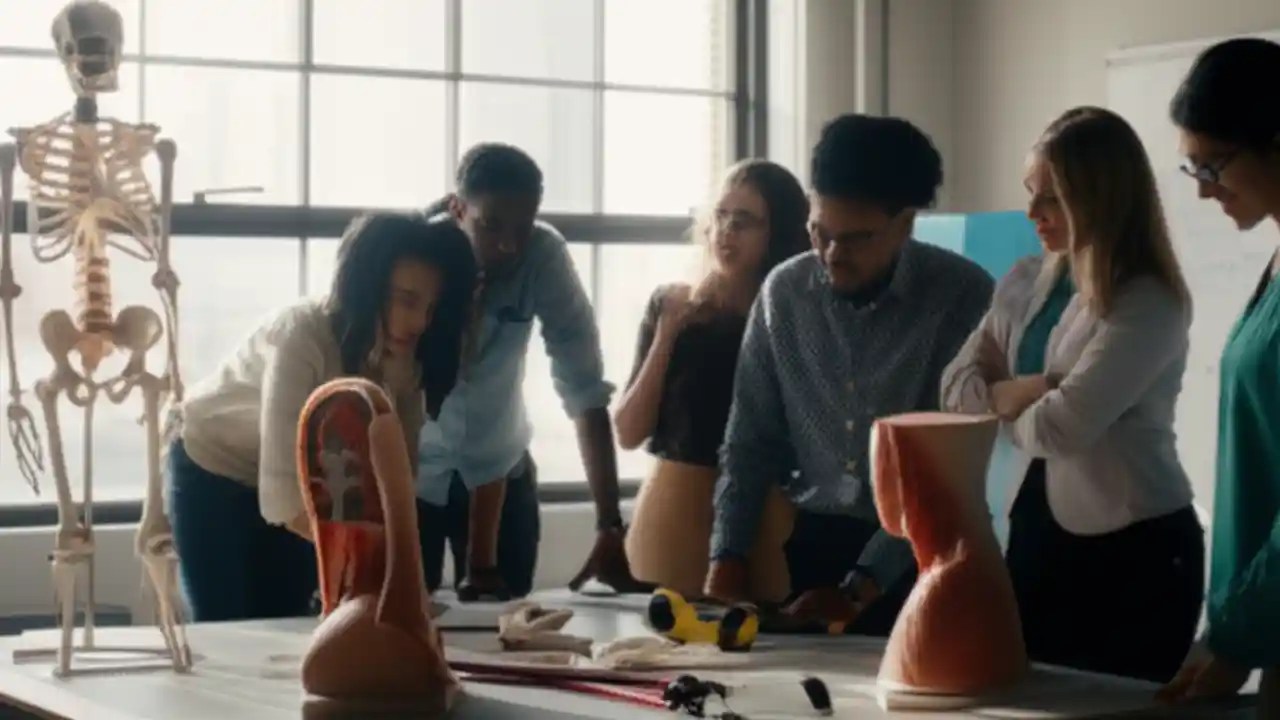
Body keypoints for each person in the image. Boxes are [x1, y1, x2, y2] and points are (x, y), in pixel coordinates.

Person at [941, 106, 1205, 683]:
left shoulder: (1148, 301)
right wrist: (1041, 388)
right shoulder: (1023, 279)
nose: (1032, 212)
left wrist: (1005, 400)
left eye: (1052, 198)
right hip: (1039, 529)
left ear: (1102, 197)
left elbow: (1062, 431)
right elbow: (954, 392)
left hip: (1139, 548)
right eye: (1030, 194)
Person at [703, 114, 994, 633]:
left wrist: (862, 585)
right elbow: (749, 440)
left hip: (923, 554)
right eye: (820, 232)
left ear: (905, 223)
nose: (832, 256)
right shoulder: (783, 294)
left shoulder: (961, 297)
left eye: (856, 239)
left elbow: (945, 471)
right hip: (808, 545)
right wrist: (727, 555)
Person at [168, 213, 478, 621]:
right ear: (368, 287)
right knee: (231, 626)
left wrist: (402, 580)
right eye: (405, 300)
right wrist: (374, 569)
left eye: (431, 307)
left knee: (294, 622)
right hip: (212, 465)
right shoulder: (303, 333)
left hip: (298, 484)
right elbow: (281, 498)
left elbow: (398, 483)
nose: (420, 322)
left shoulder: (407, 356)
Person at [419, 142, 643, 600]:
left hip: (502, 470)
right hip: (414, 472)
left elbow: (583, 387)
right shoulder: (416, 252)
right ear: (458, 208)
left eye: (522, 227)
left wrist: (608, 525)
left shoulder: (542, 255)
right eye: (491, 225)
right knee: (400, 630)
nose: (508, 244)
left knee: (509, 631)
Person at [614, 159, 810, 600]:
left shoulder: (794, 318)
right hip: (676, 505)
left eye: (743, 222)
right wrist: (667, 332)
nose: (725, 232)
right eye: (720, 217)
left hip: (767, 507)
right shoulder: (673, 305)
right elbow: (628, 431)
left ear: (775, 232)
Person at [1159, 37, 1280, 709]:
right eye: (1192, 169)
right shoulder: (1272, 262)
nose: (1204, 191)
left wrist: (1234, 639)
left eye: (1214, 166)